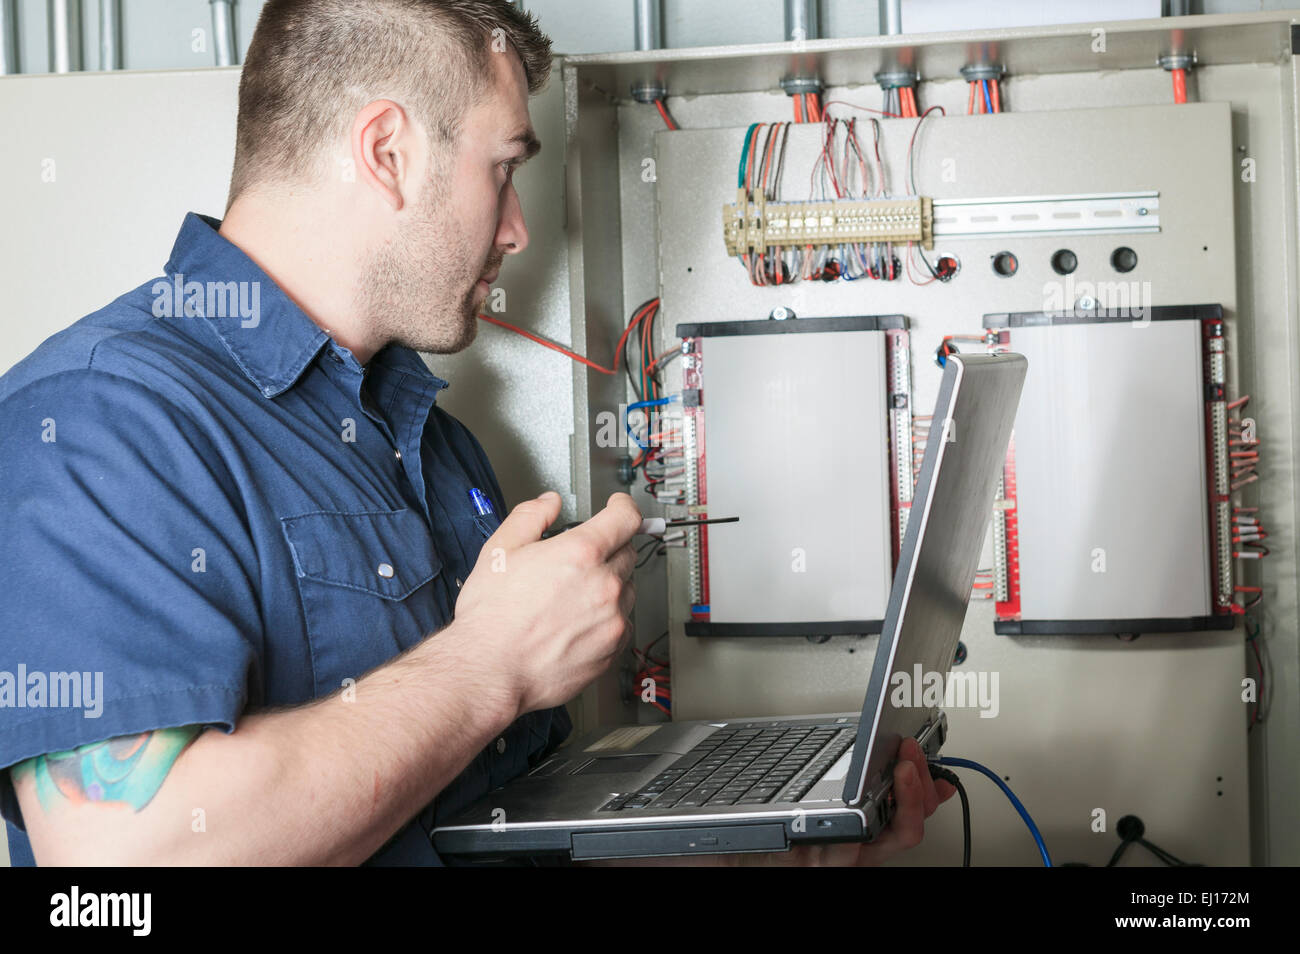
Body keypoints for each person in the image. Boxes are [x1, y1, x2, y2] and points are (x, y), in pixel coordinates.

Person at [0, 0, 951, 866]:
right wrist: (493, 662)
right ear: (387, 151)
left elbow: (500, 824)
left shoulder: (436, 444)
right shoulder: (98, 419)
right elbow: (125, 867)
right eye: (503, 168)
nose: (518, 231)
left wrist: (780, 850)